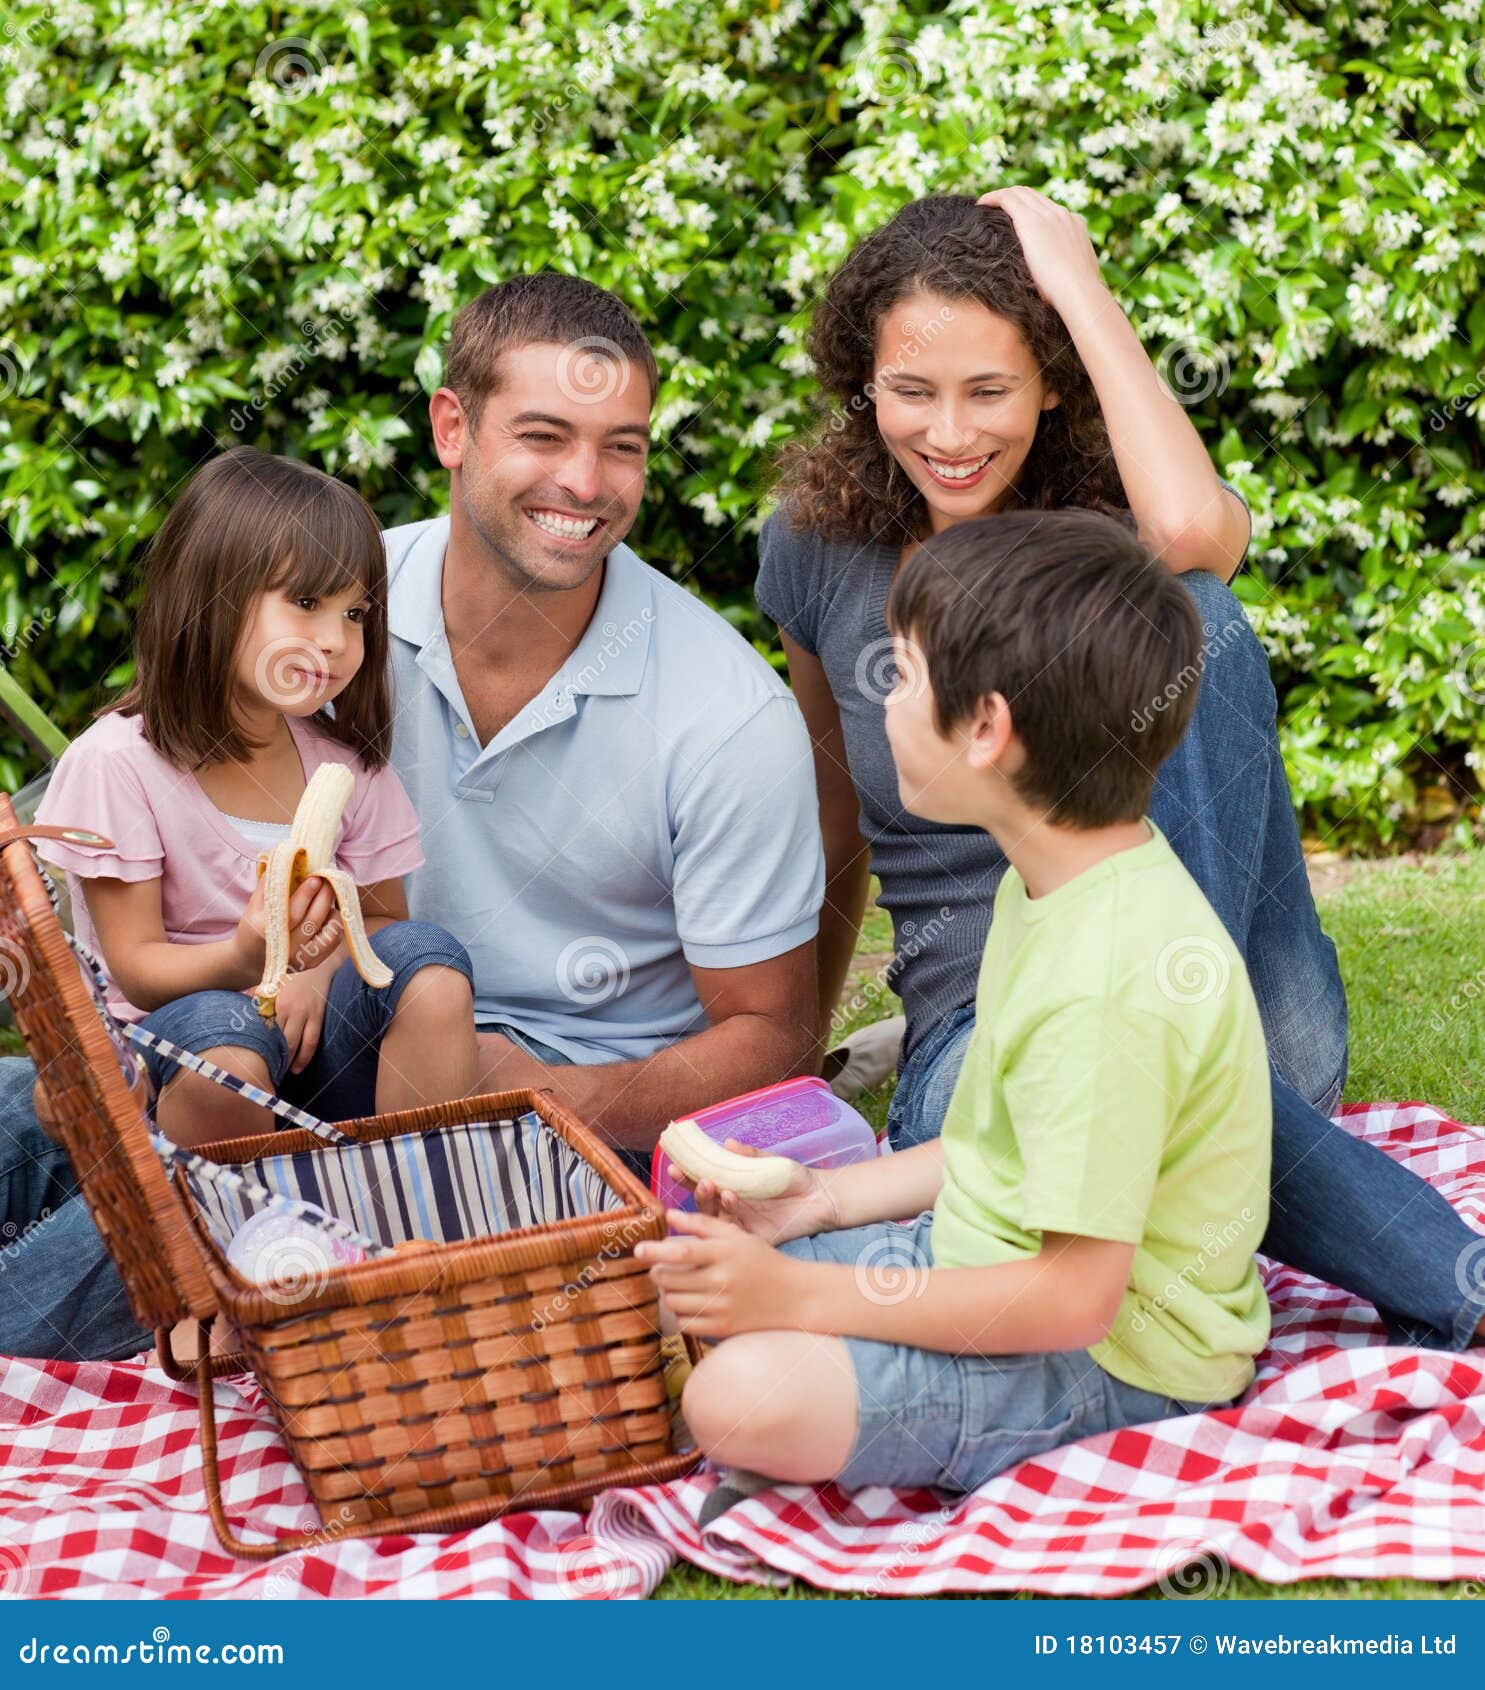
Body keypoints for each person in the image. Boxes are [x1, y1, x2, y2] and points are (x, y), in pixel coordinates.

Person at [756, 188, 1485, 1351]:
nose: (950, 432)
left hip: (1228, 1005)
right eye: (912, 390)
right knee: (1139, 1093)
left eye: (991, 389)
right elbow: (833, 810)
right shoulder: (814, 546)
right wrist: (796, 1051)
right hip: (989, 1048)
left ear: (1054, 381)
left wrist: (1078, 285)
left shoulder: (1107, 529)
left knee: (1199, 616)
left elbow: (1199, 539)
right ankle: (1463, 1277)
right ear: (863, 383)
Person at [641, 511, 1273, 1496]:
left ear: (985, 728)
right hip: (976, 1259)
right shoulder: (1054, 879)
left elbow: (1074, 1300)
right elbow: (992, 1149)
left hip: (1111, 1366)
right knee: (681, 1275)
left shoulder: (1107, 980)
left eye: (899, 675)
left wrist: (804, 1295)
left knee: (739, 1396)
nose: (879, 703)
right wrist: (822, 1201)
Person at [379, 273, 822, 1169]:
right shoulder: (337, 610)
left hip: (585, 1107)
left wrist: (542, 1099)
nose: (584, 484)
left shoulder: (729, 719)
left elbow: (775, 1036)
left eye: (621, 447)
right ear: (451, 429)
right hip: (349, 1031)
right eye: (544, 437)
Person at [33, 447, 478, 1145]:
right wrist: (249, 958)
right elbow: (140, 970)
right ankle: (232, 1244)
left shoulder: (347, 768)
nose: (335, 641)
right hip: (178, 1049)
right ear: (209, 595)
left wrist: (317, 967)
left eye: (355, 612)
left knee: (433, 963)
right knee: (228, 1049)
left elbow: (385, 917)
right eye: (304, 603)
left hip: (320, 1046)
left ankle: (415, 1206)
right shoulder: (120, 765)